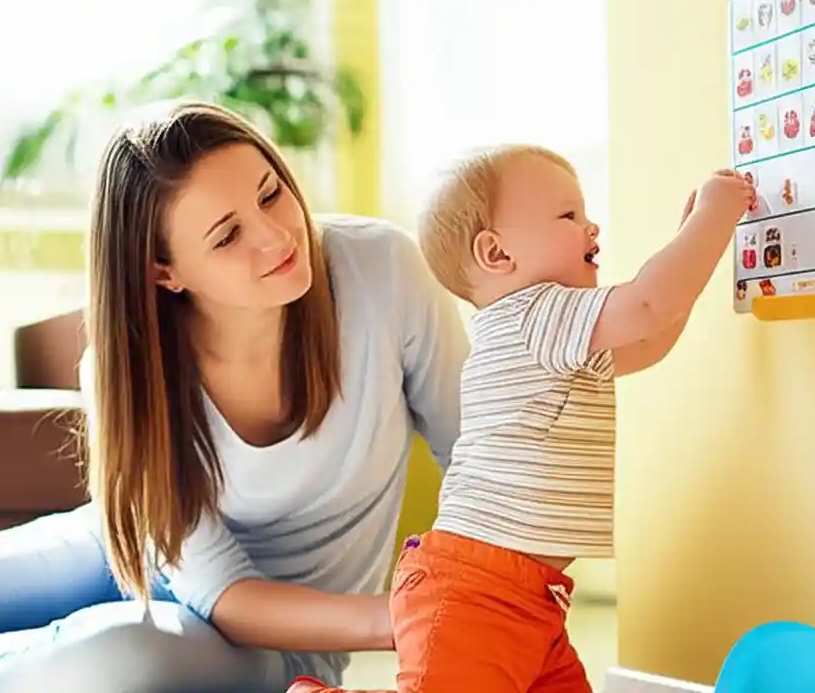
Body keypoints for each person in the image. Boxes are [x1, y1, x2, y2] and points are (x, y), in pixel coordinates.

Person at [0, 101, 469, 692]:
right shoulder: (128, 365)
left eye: (272, 194)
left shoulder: (381, 270)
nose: (277, 236)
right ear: (161, 270)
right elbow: (197, 570)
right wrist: (402, 617)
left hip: (261, 641)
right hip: (118, 556)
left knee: (119, 656)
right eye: (227, 236)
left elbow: (482, 456)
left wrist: (473, 605)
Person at [288, 146, 754, 693]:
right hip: (474, 591)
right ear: (496, 253)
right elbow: (651, 306)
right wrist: (711, 221)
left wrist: (691, 242)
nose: (590, 226)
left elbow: (650, 336)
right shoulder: (537, 313)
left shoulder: (545, 336)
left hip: (531, 594)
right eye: (568, 216)